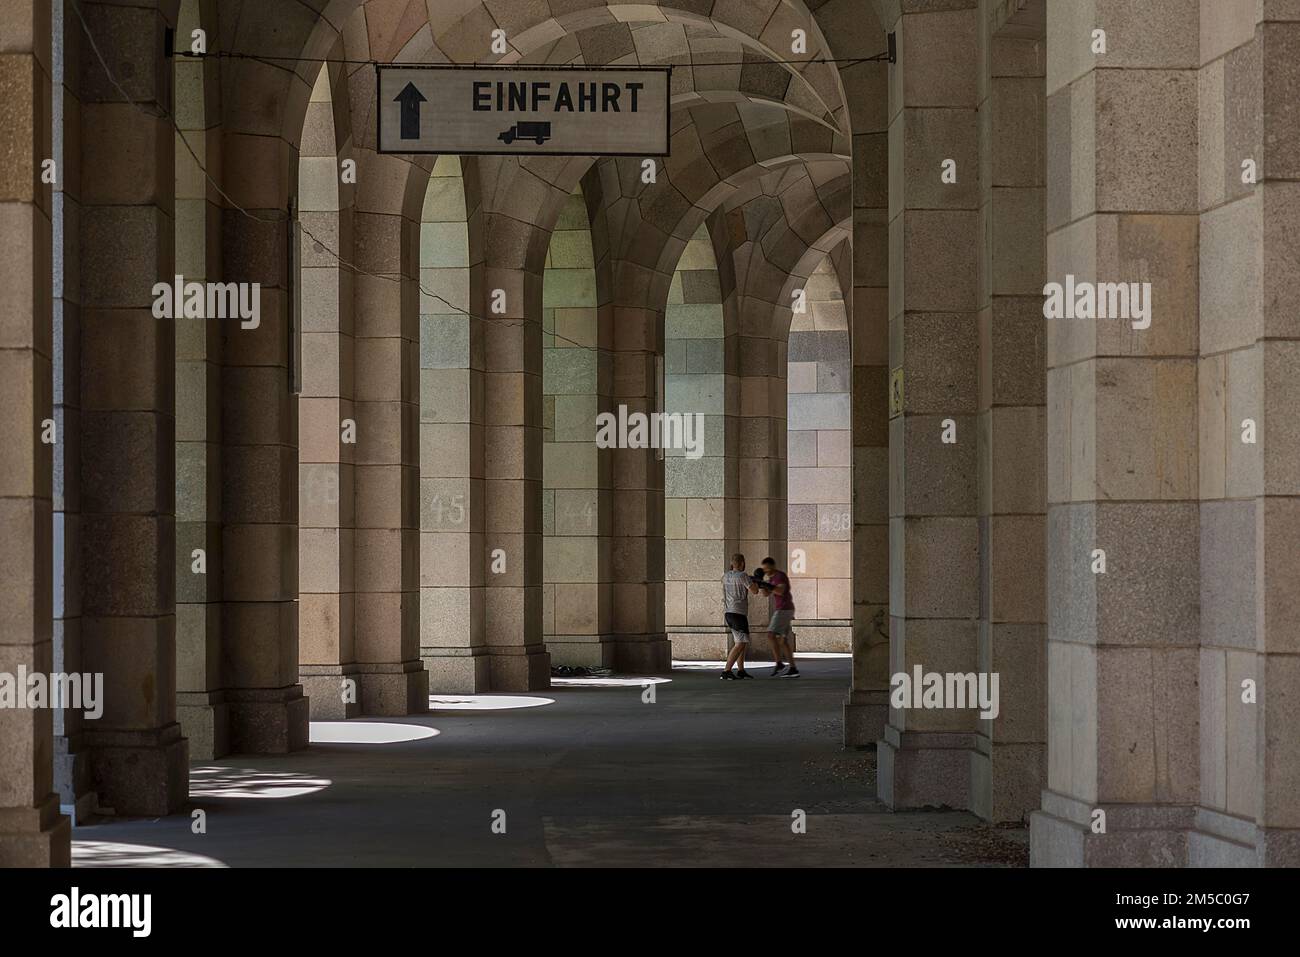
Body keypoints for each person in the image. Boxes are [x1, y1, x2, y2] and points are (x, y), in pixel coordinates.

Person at [755, 557, 799, 677]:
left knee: (770, 634)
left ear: (772, 566)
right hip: (783, 609)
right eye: (764, 569)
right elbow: (765, 594)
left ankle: (779, 663)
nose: (766, 571)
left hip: (784, 609)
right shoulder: (771, 578)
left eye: (767, 568)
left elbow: (780, 591)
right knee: (783, 641)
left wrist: (766, 585)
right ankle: (793, 668)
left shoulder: (780, 576)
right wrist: (760, 582)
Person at [720, 554, 760, 680]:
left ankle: (741, 670)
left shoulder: (725, 576)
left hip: (728, 612)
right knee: (741, 643)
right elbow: (755, 590)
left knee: (740, 642)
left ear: (732, 563)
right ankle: (726, 671)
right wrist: (757, 582)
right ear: (742, 563)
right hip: (738, 613)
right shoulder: (743, 576)